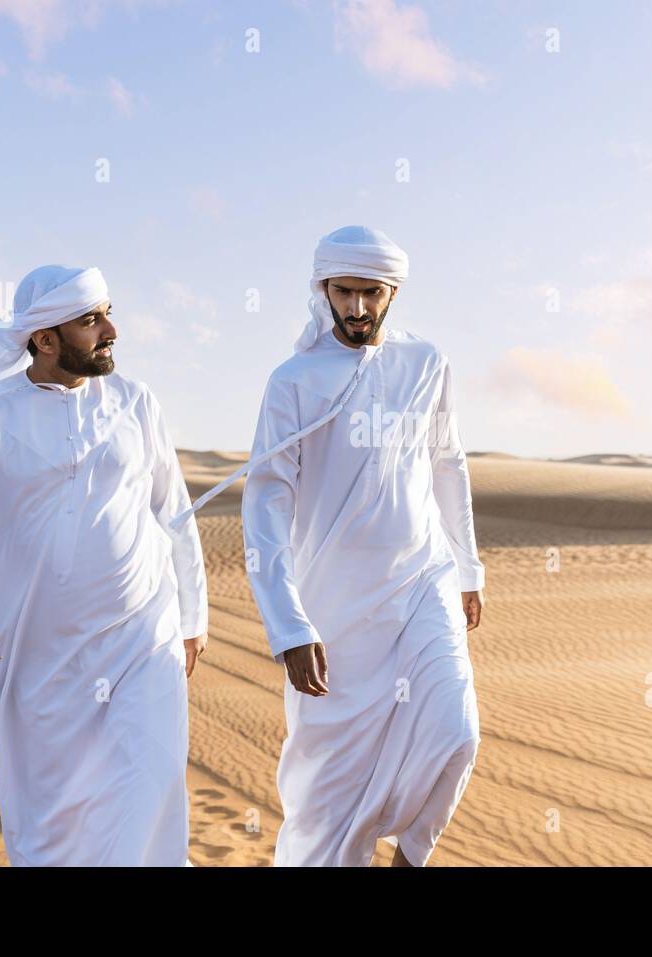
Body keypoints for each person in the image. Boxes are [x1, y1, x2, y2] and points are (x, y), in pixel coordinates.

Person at [0, 264, 209, 866]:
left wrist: (191, 617)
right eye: (90, 320)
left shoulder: (137, 402)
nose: (110, 329)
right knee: (52, 833)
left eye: (107, 312)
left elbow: (173, 512)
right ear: (42, 339)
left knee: (152, 788)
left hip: (143, 641)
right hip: (37, 658)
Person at [242, 226, 485, 867]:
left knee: (456, 735)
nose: (356, 308)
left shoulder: (426, 362)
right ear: (322, 291)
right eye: (343, 292)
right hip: (332, 604)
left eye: (371, 293)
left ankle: (411, 854)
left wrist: (468, 568)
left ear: (392, 292)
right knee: (330, 785)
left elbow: (447, 464)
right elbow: (265, 501)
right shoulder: (293, 380)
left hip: (422, 579)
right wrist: (287, 625)